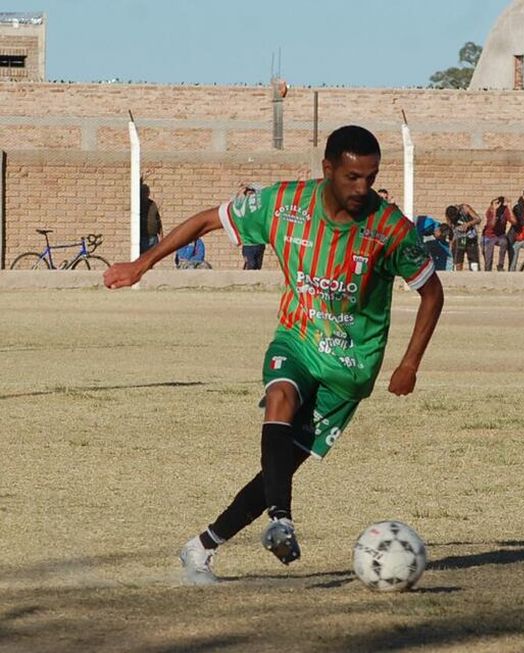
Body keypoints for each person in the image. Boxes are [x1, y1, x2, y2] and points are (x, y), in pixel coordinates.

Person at [103, 125, 445, 585]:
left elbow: (432, 294)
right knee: (280, 396)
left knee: (279, 466)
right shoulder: (285, 206)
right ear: (328, 170)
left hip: (350, 371)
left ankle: (200, 548)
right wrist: (141, 265)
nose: (363, 188)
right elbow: (207, 219)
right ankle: (281, 520)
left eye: (370, 177)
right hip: (297, 339)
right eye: (352, 177)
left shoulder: (390, 229)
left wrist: (409, 364)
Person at [446, 204, 482, 271]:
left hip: (470, 237)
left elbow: (478, 219)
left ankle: (475, 278)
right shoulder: (448, 215)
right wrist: (451, 242)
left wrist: (468, 224)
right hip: (458, 239)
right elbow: (450, 228)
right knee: (458, 261)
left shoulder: (465, 208)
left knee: (474, 263)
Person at [482, 196, 511, 272]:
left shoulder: (504, 211)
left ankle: (500, 265)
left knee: (504, 242)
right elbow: (492, 225)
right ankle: (488, 270)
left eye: (499, 203)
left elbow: (514, 221)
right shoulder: (490, 211)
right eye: (495, 204)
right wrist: (494, 211)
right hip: (489, 235)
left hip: (500, 235)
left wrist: (509, 207)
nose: (497, 205)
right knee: (489, 256)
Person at [139, 182, 163, 254]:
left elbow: (158, 220)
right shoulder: (138, 204)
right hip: (143, 237)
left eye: (147, 192)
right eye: (143, 192)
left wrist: (161, 235)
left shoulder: (152, 204)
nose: (145, 194)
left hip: (153, 237)